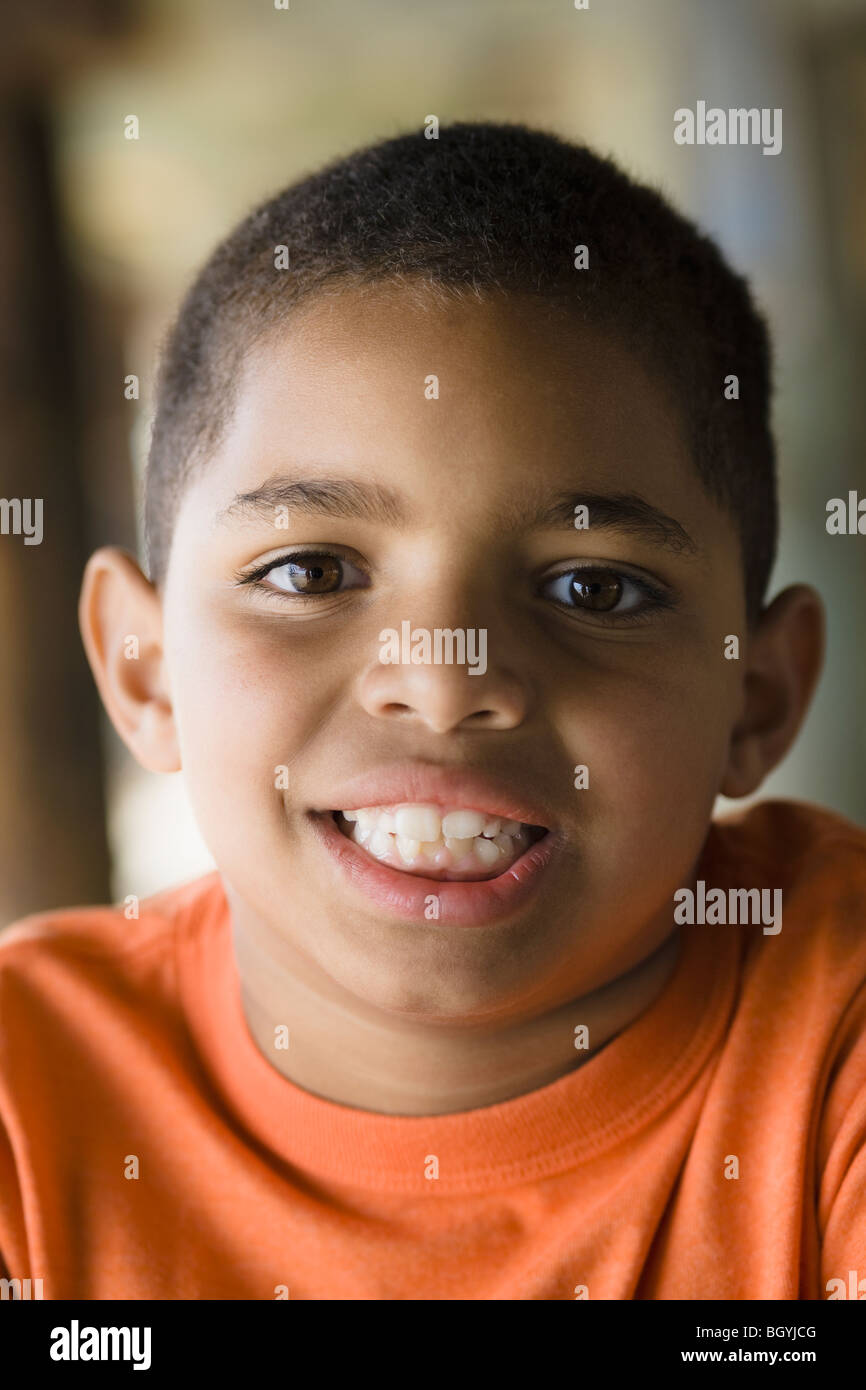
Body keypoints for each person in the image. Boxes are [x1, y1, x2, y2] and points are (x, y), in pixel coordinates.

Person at [1, 122, 863, 1301]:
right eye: (311, 573)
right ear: (146, 670)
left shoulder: (833, 1035)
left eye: (591, 587)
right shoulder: (24, 1102)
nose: (445, 675)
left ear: (754, 698)